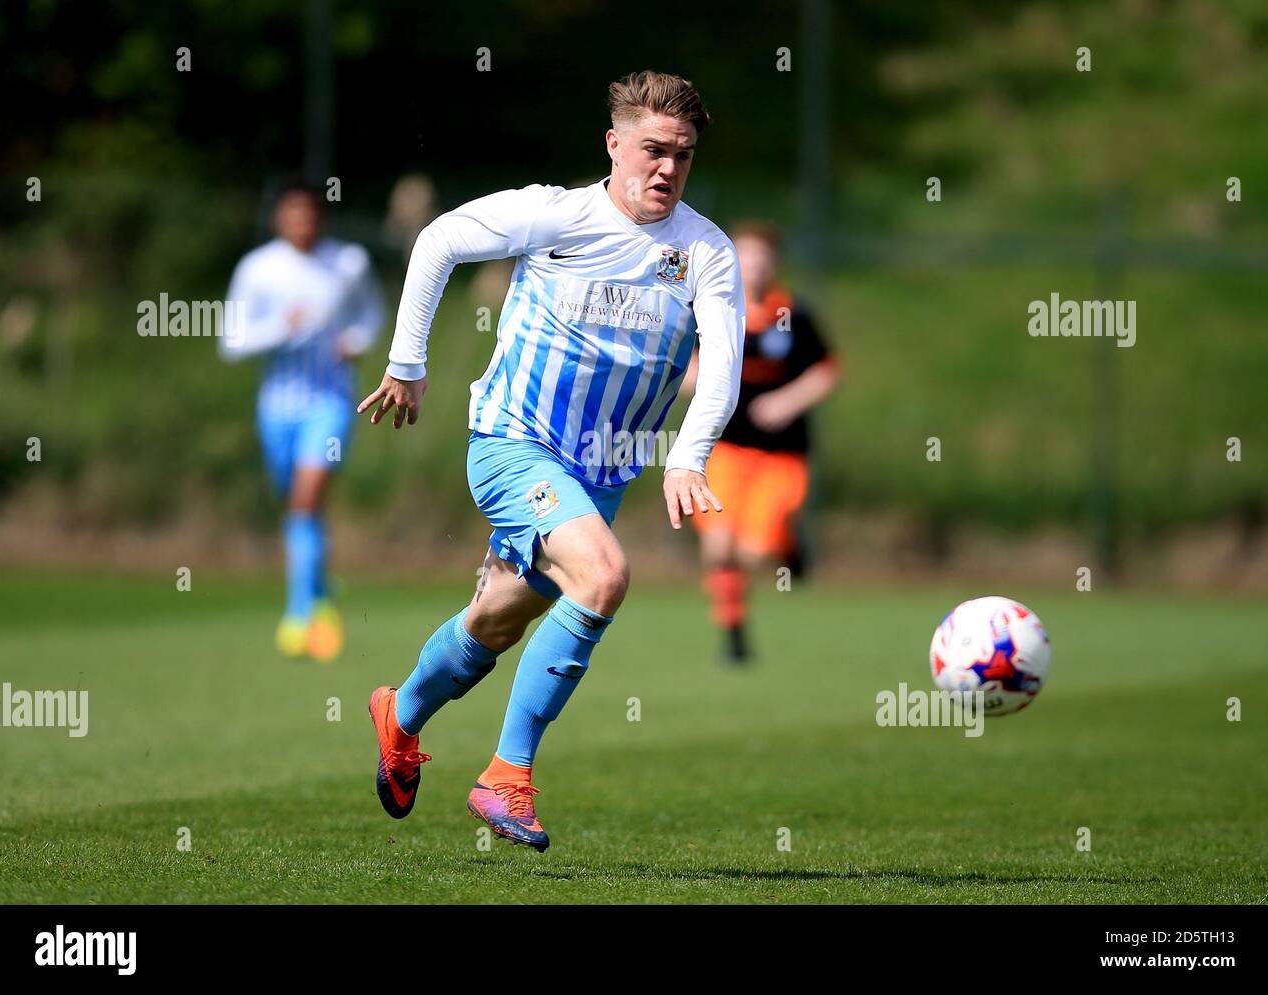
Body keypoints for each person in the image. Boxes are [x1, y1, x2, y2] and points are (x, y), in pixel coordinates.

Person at [356, 70, 744, 851]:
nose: (667, 168)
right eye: (653, 150)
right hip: (512, 443)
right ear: (614, 145)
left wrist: (687, 456)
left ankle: (400, 715)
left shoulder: (705, 251)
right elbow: (438, 241)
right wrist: (407, 361)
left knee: (494, 624)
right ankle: (507, 776)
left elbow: (726, 362)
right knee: (604, 576)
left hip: (597, 478)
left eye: (684, 155)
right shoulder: (557, 214)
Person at [220, 180, 386, 661]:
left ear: (321, 217)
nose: (303, 222)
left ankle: (297, 615)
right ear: (280, 218)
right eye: (293, 214)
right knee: (297, 509)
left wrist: (355, 340)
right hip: (276, 406)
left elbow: (373, 315)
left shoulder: (348, 262)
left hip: (331, 401)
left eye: (310, 213)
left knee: (307, 499)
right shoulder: (258, 269)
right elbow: (231, 342)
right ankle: (320, 592)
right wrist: (280, 329)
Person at [682, 221, 841, 663]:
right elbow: (685, 372)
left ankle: (789, 547)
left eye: (761, 256)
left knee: (754, 552)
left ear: (773, 263)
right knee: (719, 548)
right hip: (725, 449)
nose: (752, 265)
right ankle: (733, 635)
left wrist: (786, 402)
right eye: (744, 255)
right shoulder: (712, 313)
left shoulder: (793, 316)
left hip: (782, 455)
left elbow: (825, 370)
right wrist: (696, 381)